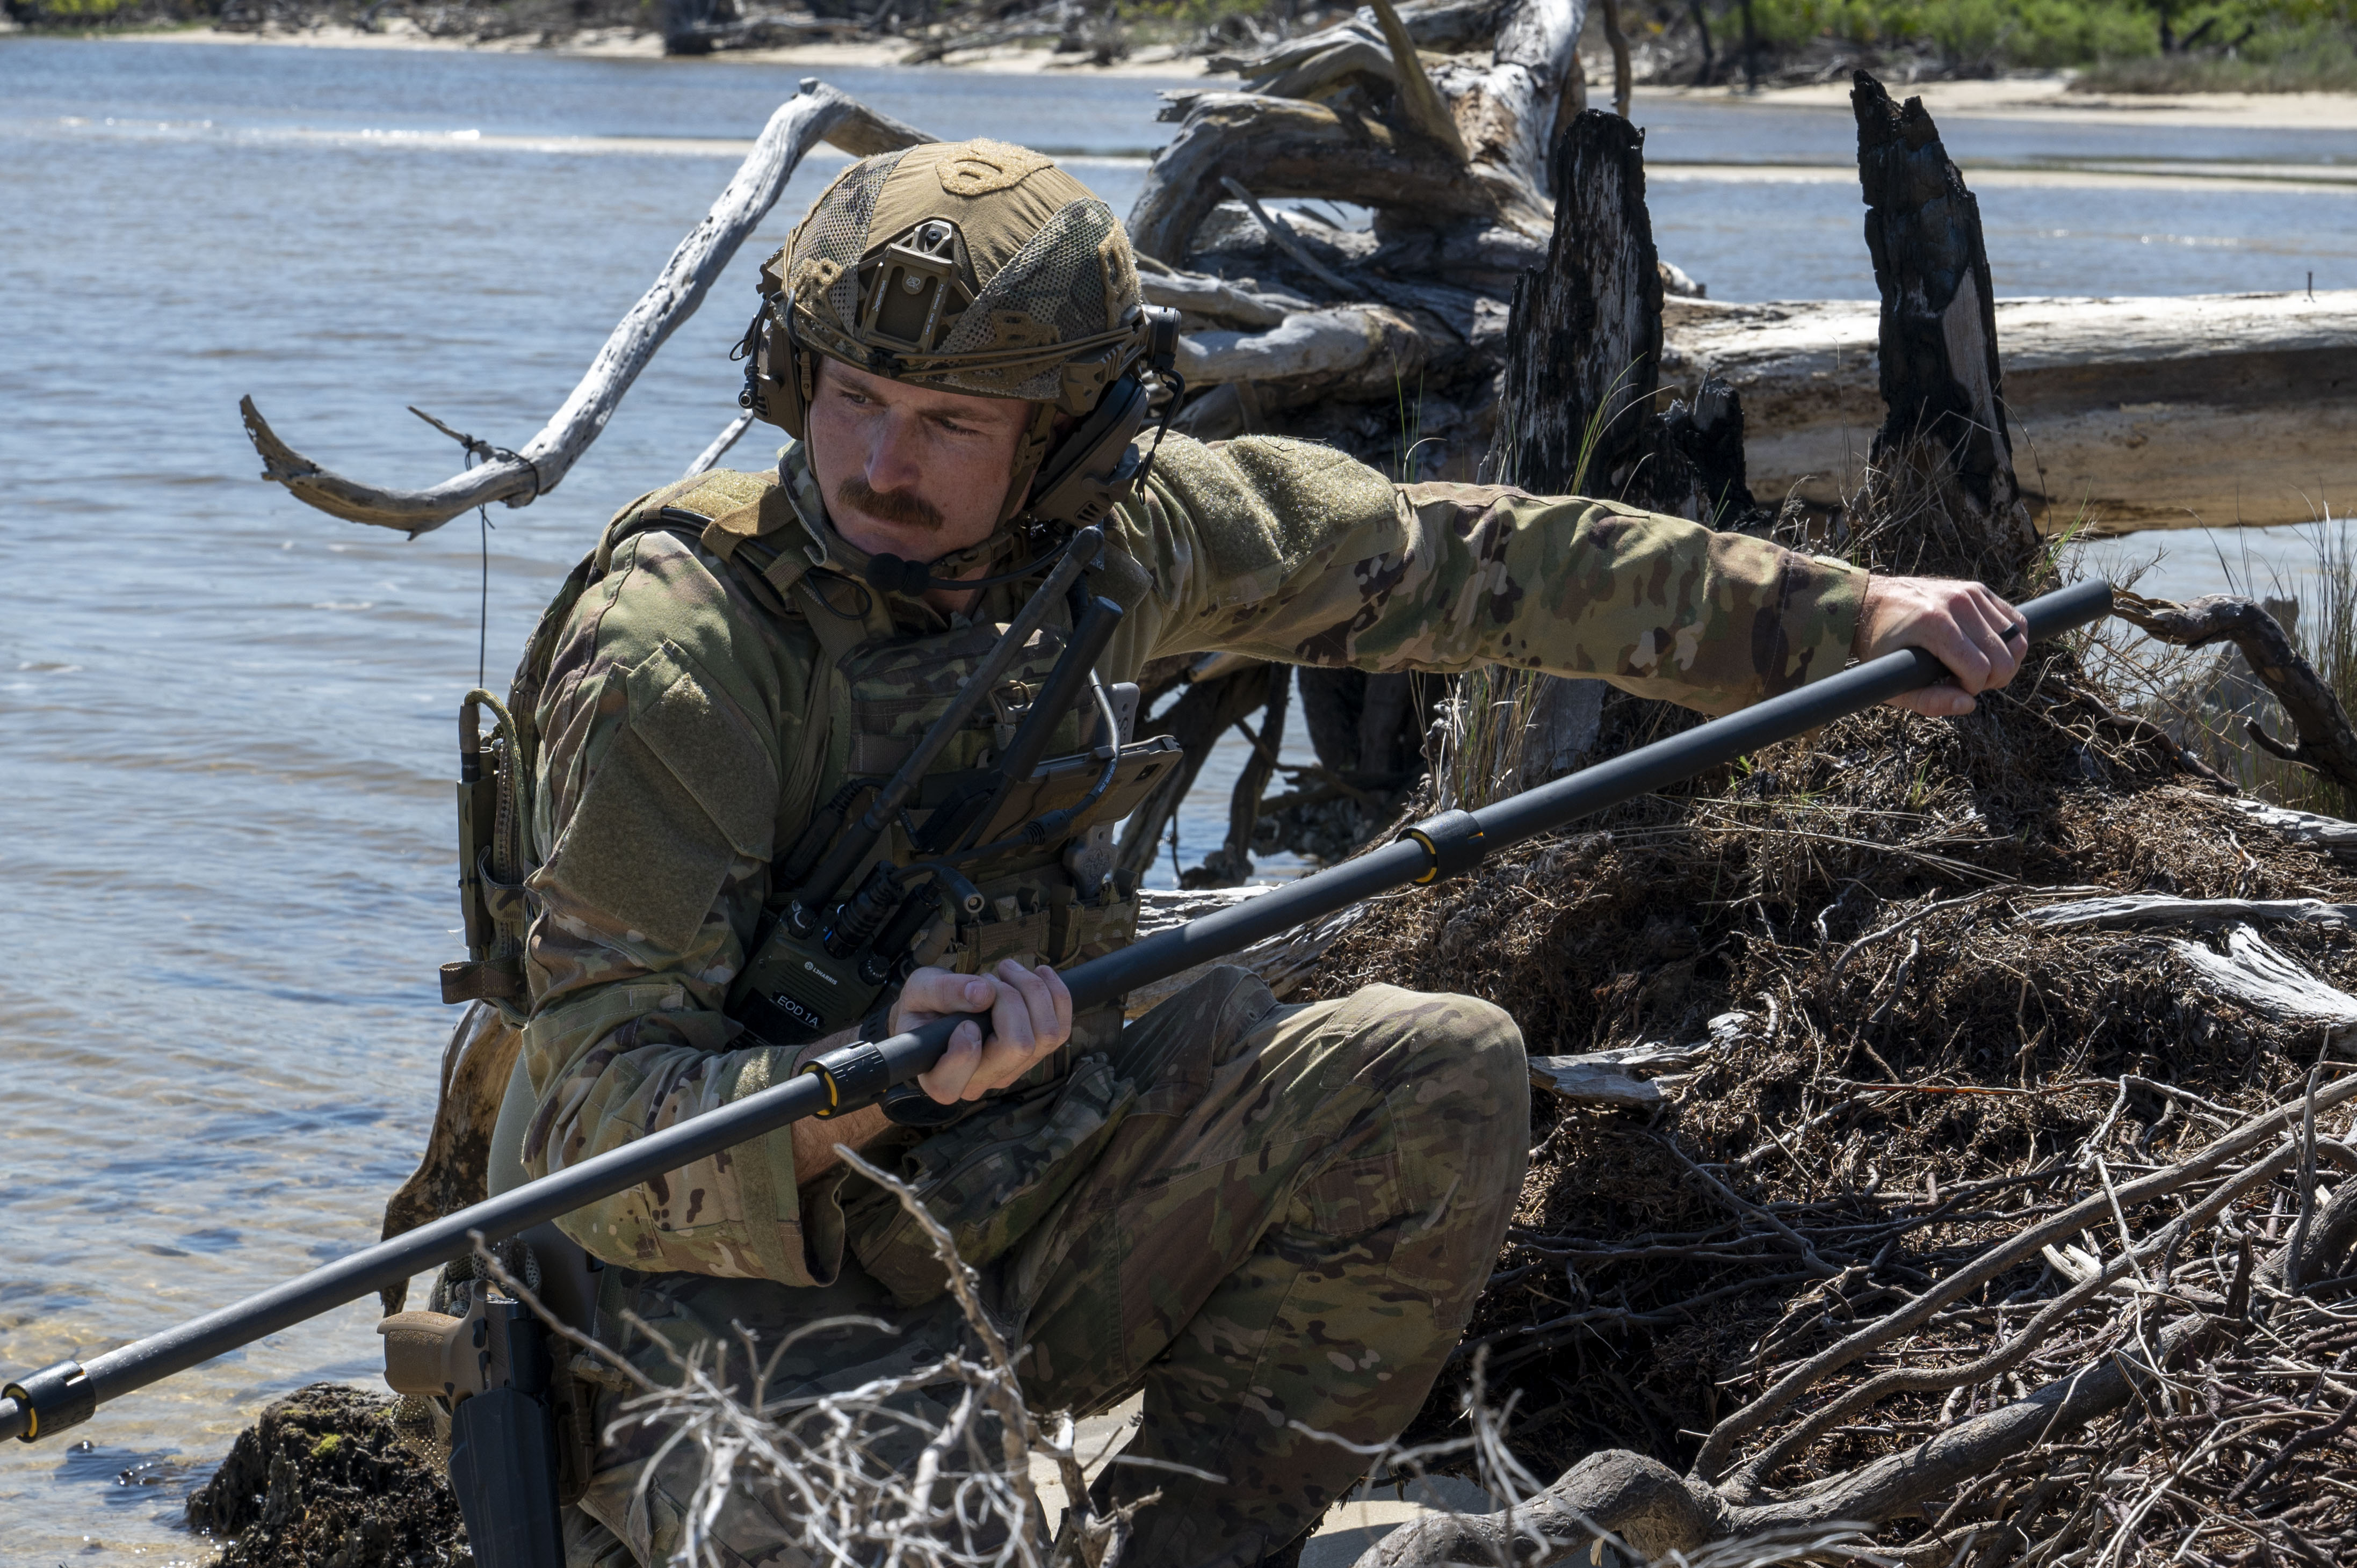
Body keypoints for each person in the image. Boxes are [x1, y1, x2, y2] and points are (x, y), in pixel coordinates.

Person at [500, 137, 2026, 1567]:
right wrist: (872, 1079)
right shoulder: (681, 656)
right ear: (791, 380)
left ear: (1065, 437)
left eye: (951, 423)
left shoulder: (1118, 536)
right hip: (696, 1286)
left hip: (1004, 1186)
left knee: (1435, 1071)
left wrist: (1839, 615)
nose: (880, 463)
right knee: (930, 1534)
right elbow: (584, 1136)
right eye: (852, 398)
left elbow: (1458, 563)